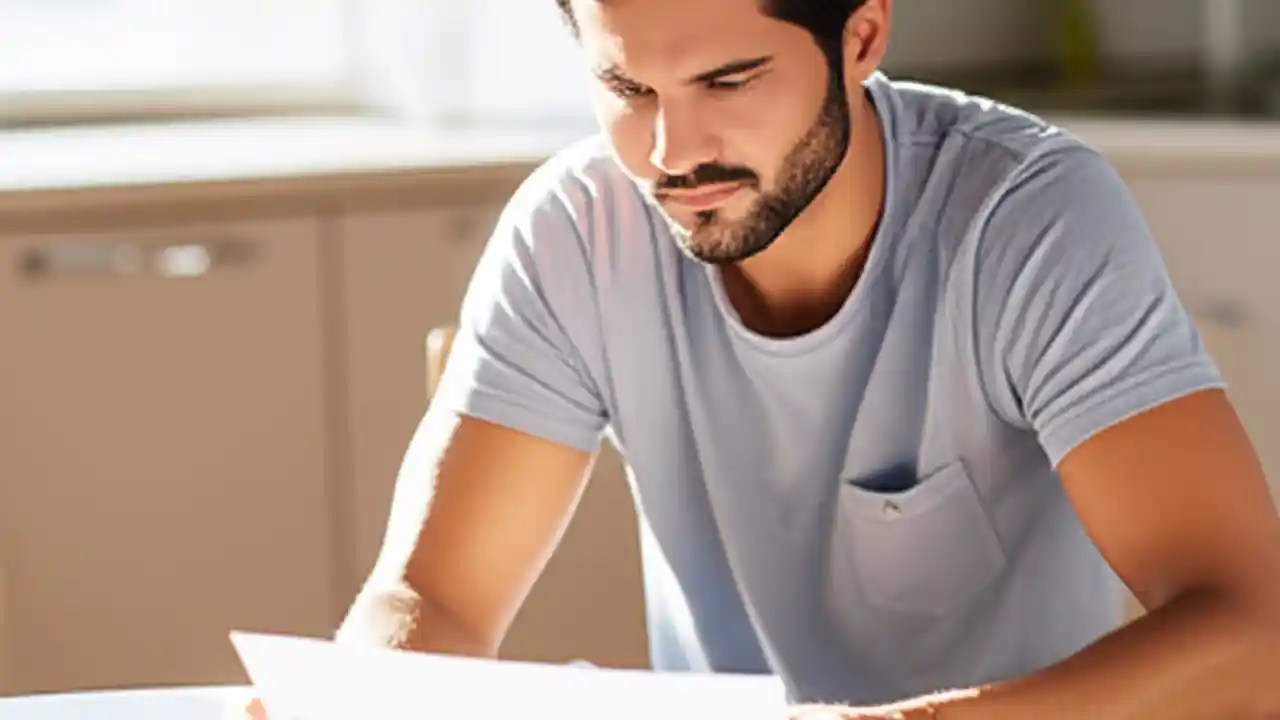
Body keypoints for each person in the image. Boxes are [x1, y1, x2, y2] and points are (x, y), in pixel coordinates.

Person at [250, 0, 1280, 717]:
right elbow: (439, 600)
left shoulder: (1024, 219)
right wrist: (358, 697)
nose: (670, 153)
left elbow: (1250, 635)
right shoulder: (575, 232)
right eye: (625, 86)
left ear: (861, 33)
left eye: (726, 79)